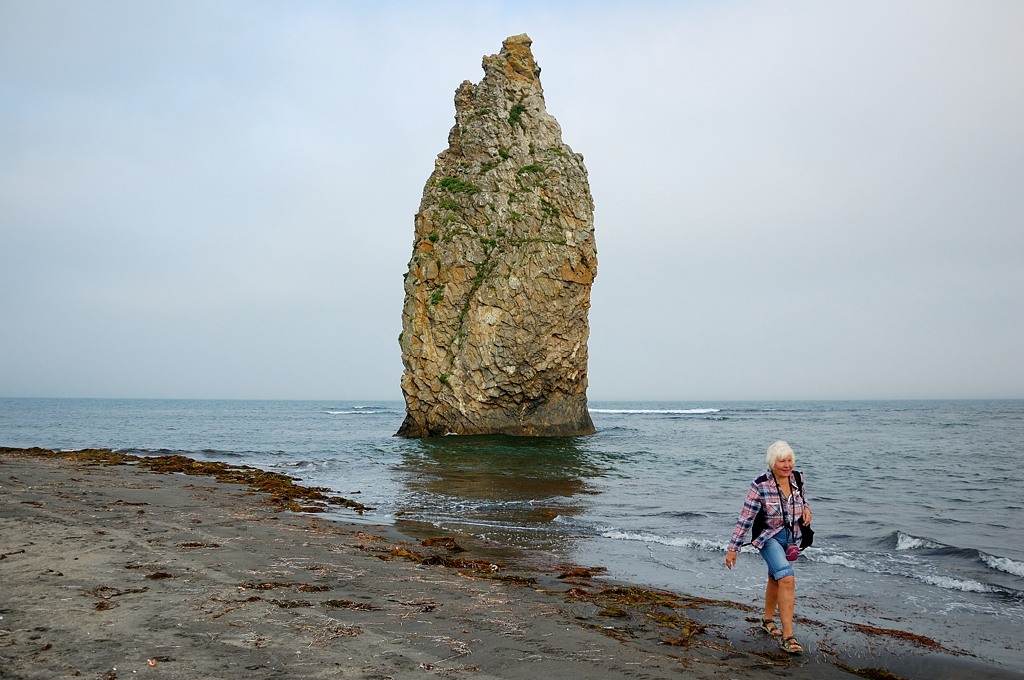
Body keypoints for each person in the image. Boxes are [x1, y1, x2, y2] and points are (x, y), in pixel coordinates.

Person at [725, 440, 813, 654]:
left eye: (789, 460)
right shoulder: (760, 485)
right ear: (772, 463)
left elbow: (802, 500)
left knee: (775, 578)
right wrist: (733, 548)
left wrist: (807, 509)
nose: (787, 465)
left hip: (791, 538)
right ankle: (788, 637)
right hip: (768, 538)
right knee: (787, 578)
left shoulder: (797, 478)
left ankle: (767, 620)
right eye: (782, 461)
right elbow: (745, 518)